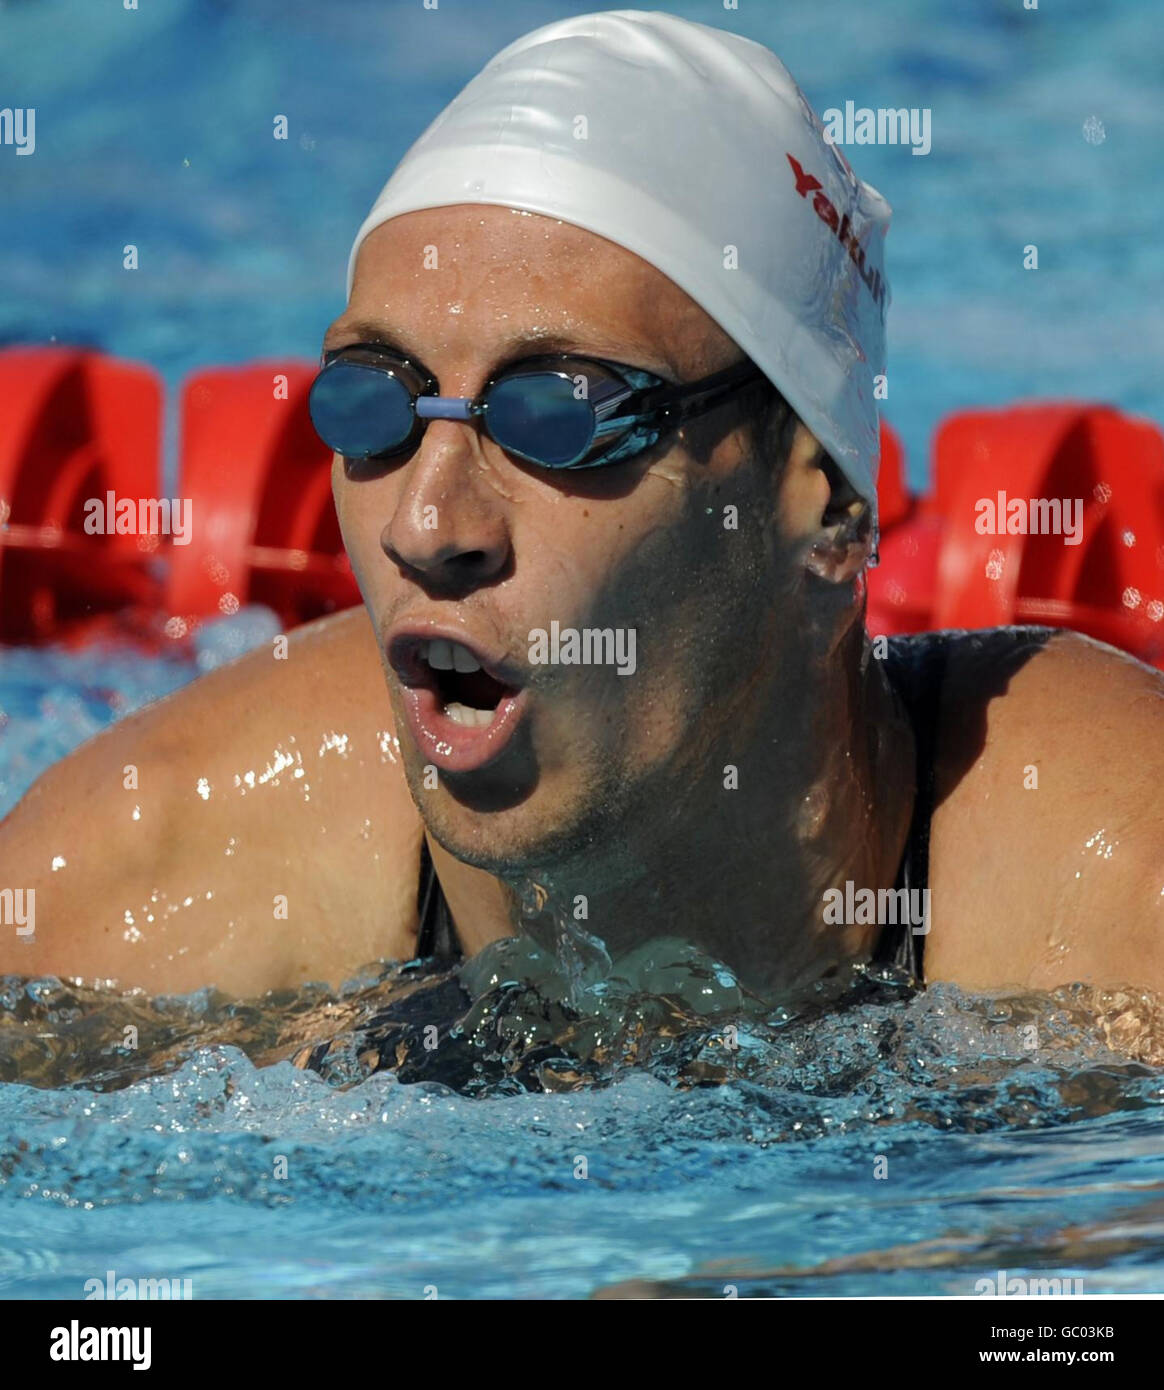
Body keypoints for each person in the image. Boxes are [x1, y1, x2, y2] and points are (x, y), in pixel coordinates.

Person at [1, 10, 1161, 1005]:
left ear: (829, 515)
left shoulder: (1111, 891)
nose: (428, 524)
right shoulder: (151, 883)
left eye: (559, 414)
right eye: (375, 404)